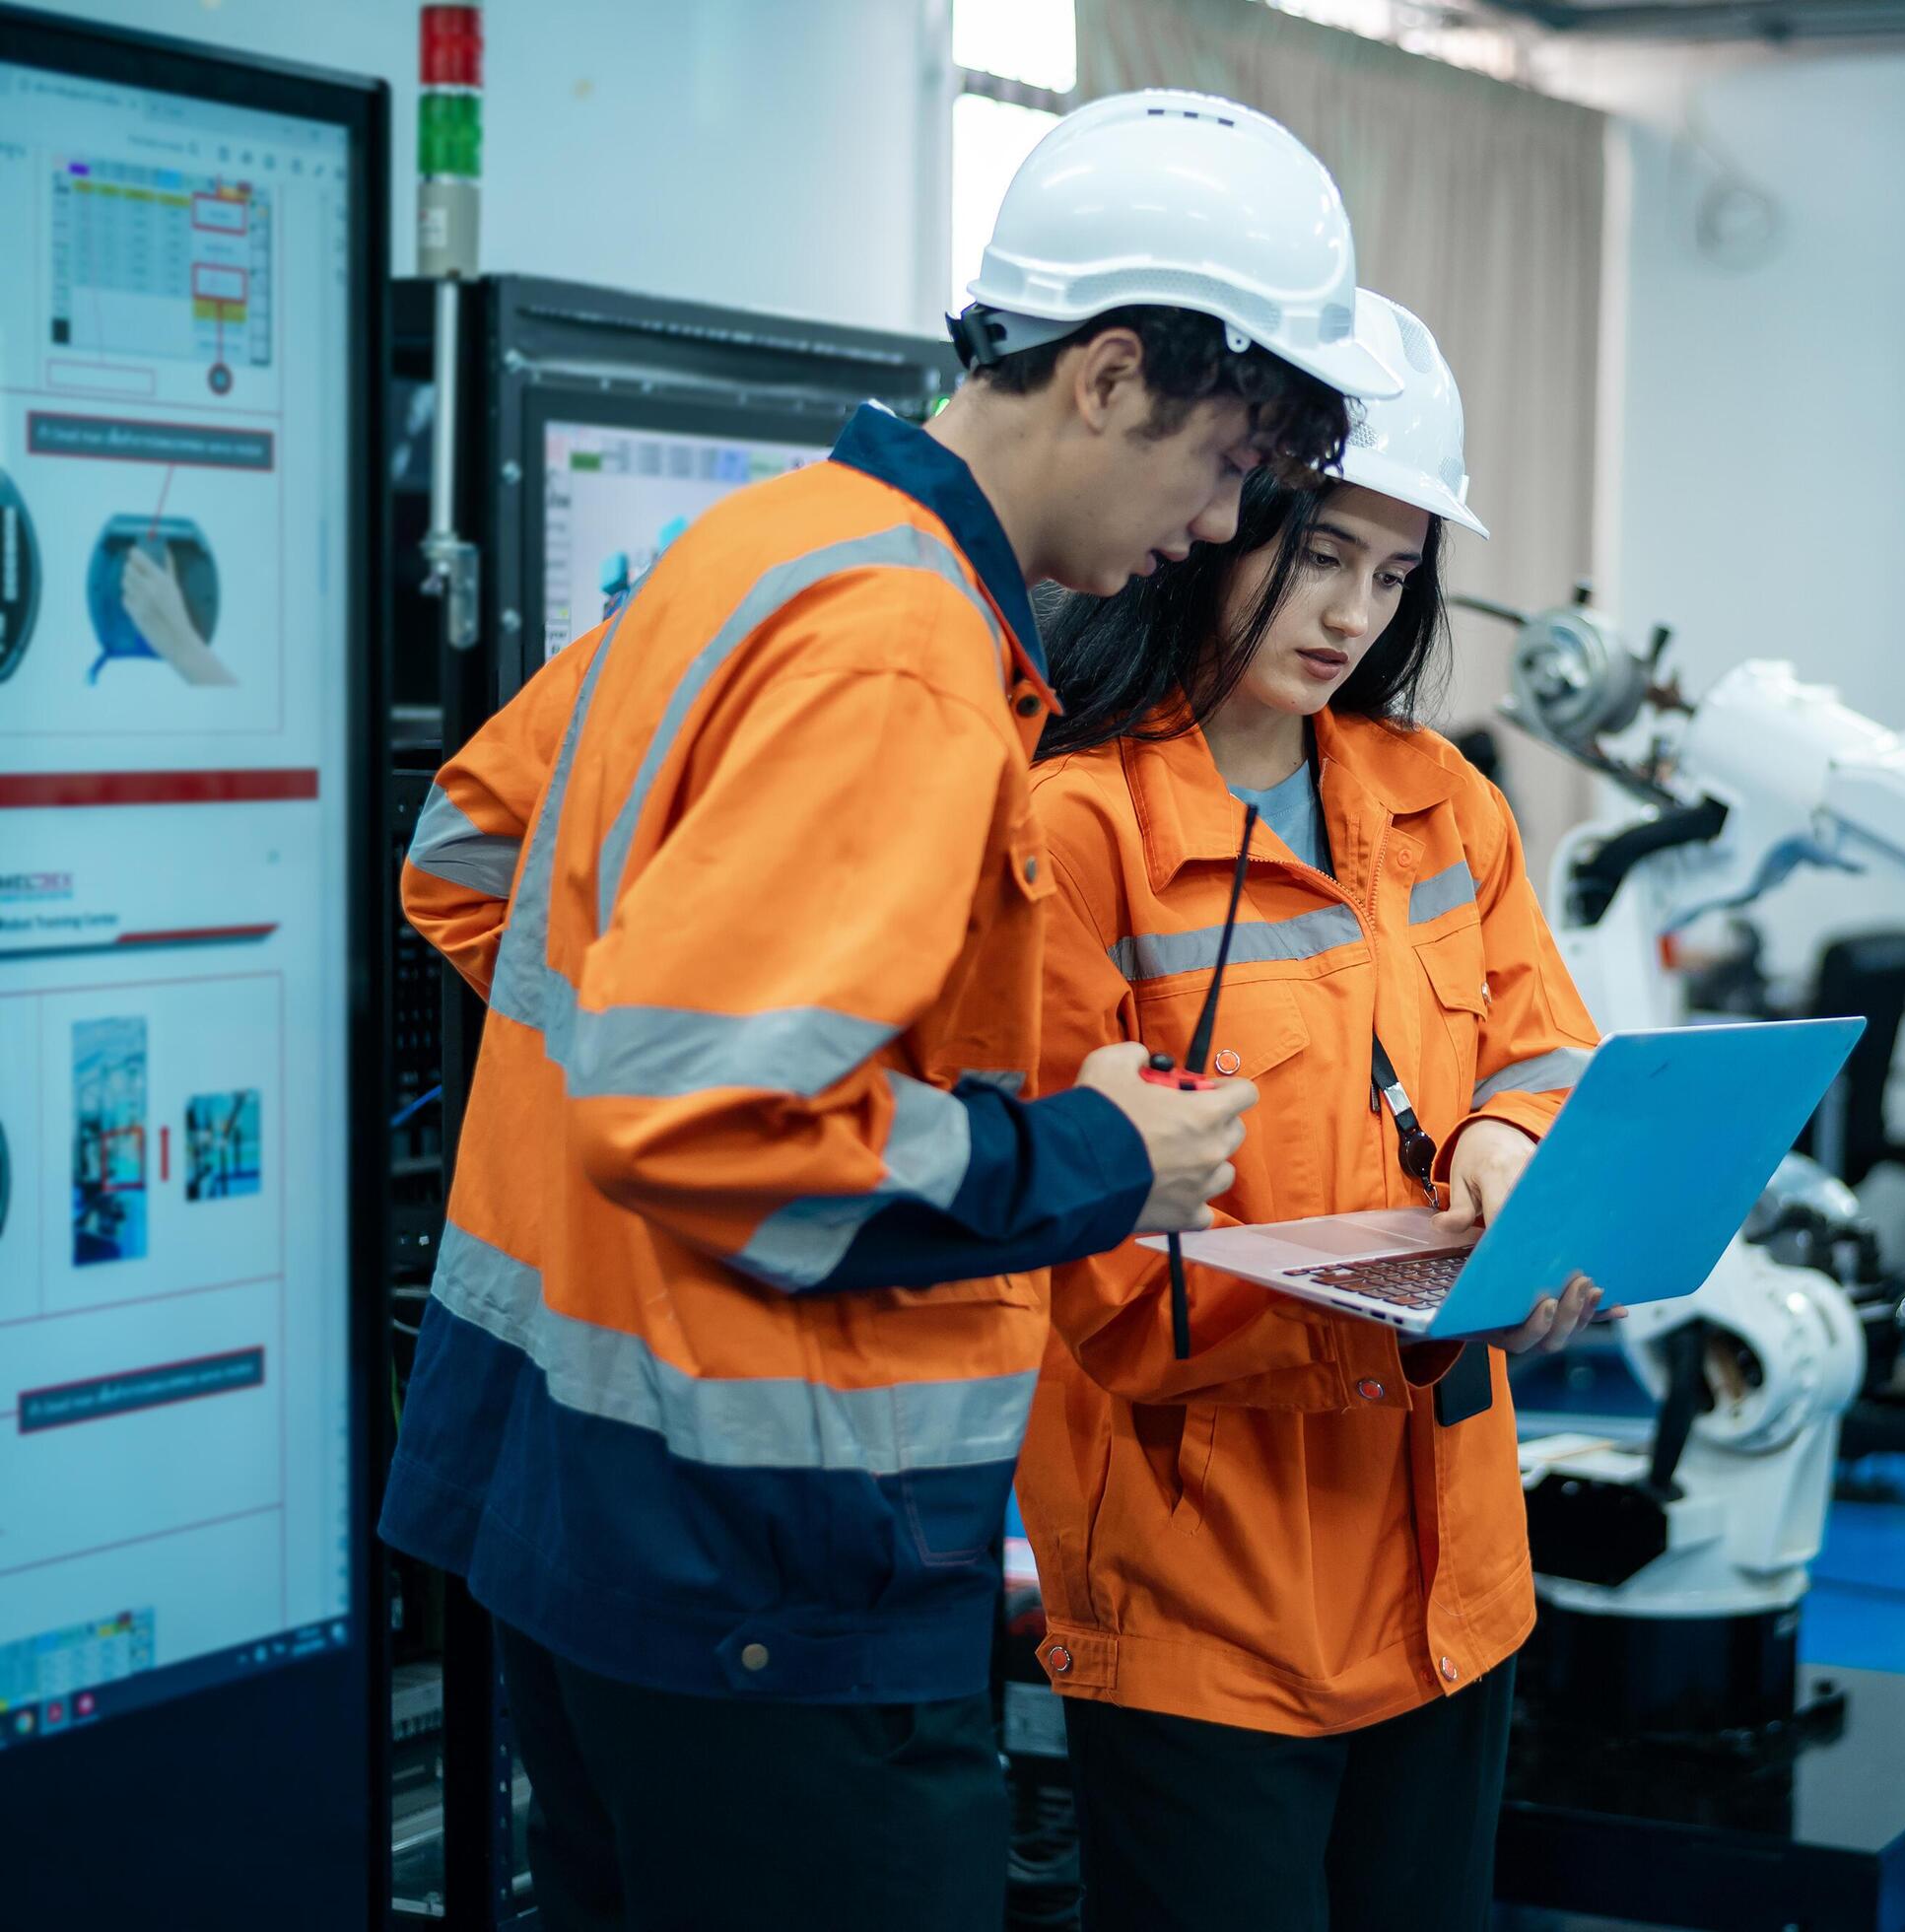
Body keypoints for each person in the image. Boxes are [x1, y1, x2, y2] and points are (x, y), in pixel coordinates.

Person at [379, 92, 1401, 1932]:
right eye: (1231, 461)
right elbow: (702, 1121)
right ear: (1104, 375)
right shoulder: (903, 652)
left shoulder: (763, 545)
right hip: (765, 1558)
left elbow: (466, 850)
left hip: (562, 1501)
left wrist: (670, 1065)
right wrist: (1096, 1153)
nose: (1227, 520)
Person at [1016, 291, 1606, 1932]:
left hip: (1451, 1582)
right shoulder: (1080, 832)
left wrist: (1510, 1155)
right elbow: (1094, 1268)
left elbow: (1540, 1051)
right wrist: (1418, 1324)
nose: (1352, 612)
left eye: (1396, 573)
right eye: (1322, 553)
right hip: (1205, 1595)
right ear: (1223, 520)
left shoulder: (1439, 799)